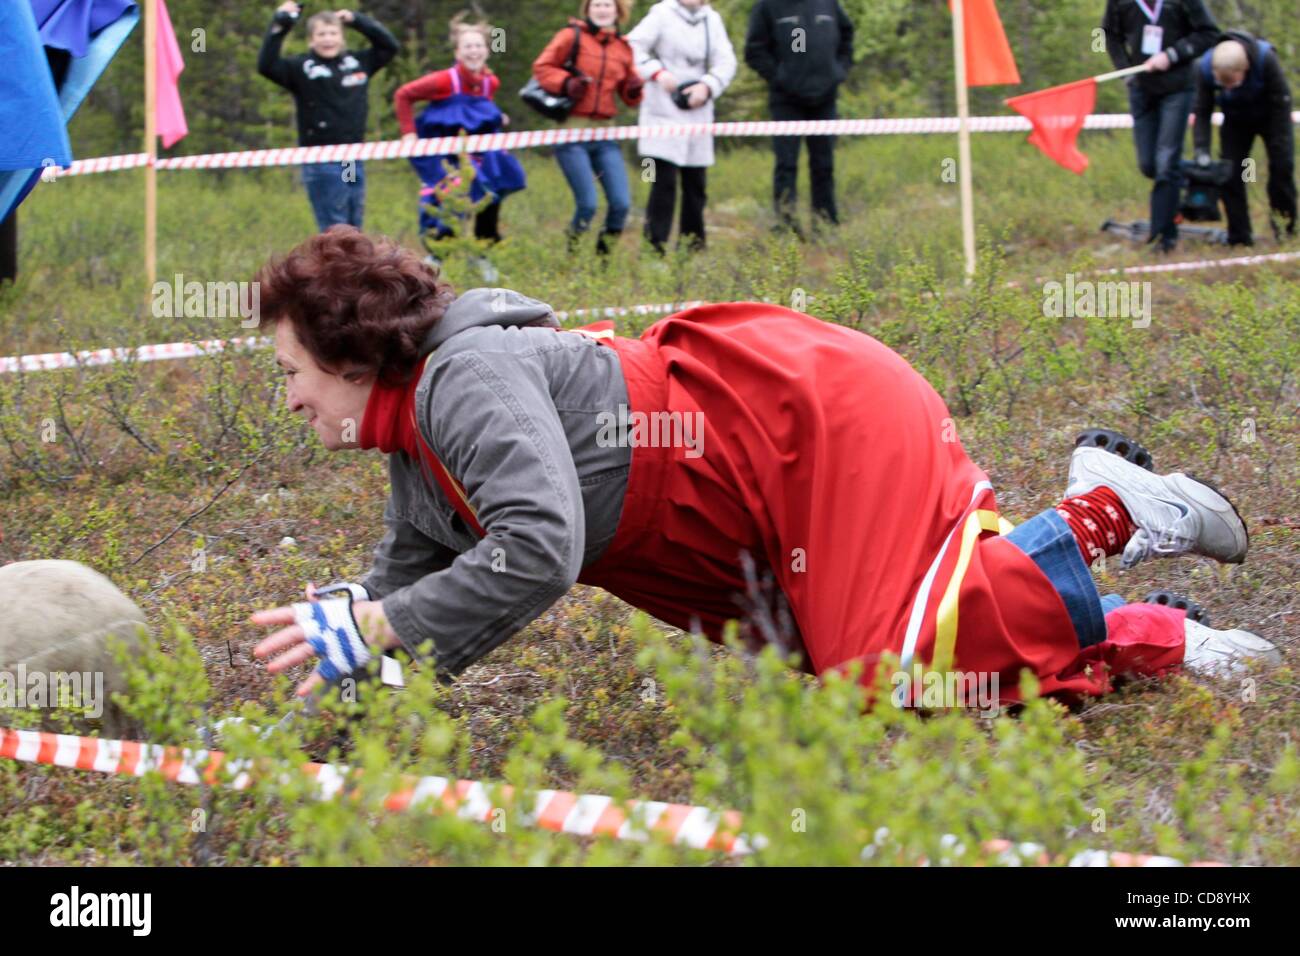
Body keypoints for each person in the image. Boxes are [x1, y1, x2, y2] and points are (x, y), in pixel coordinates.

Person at [248, 228, 1280, 706]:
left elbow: (537, 548)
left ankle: (1101, 510)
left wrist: (377, 622)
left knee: (890, 662)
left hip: (796, 425)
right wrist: (302, 707)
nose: (289, 396)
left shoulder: (462, 380)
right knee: (940, 661)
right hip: (747, 497)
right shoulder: (416, 453)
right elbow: (423, 604)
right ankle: (1160, 627)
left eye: (293, 368)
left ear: (351, 353)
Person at [393, 13, 525, 280]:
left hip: (479, 154)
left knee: (492, 195)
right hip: (445, 156)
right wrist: (408, 133)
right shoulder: (443, 80)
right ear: (457, 51)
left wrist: (498, 117)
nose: (473, 51)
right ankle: (434, 260)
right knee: (447, 204)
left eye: (478, 46)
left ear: (487, 50)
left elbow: (481, 111)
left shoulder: (490, 81)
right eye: (468, 46)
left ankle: (482, 254)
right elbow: (403, 95)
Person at [257, 3, 398, 232]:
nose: (328, 39)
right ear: (311, 40)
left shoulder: (357, 63)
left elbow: (389, 47)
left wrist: (357, 20)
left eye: (333, 33)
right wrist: (281, 24)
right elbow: (266, 65)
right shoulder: (301, 67)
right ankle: (336, 268)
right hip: (322, 158)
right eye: (321, 34)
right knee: (335, 227)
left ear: (342, 37)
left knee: (354, 222)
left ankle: (356, 268)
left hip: (351, 159)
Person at [1102, 0, 1219, 254]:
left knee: (1166, 162)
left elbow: (1209, 33)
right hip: (1141, 90)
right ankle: (1201, 174)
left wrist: (1172, 54)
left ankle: (1163, 239)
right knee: (1150, 165)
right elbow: (1108, 35)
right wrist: (1126, 72)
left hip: (1177, 89)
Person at [531, 0, 644, 255]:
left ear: (617, 11)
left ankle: (602, 262)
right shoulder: (570, 36)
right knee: (588, 205)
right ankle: (573, 257)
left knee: (621, 204)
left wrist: (634, 89)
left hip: (605, 135)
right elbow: (541, 68)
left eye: (607, 5)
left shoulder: (623, 48)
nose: (602, 9)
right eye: (597, 4)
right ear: (588, 9)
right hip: (571, 134)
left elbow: (629, 96)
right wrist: (566, 82)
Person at [625, 0, 737, 254]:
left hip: (698, 109)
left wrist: (708, 85)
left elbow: (726, 61)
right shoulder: (661, 13)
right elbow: (630, 48)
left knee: (695, 184)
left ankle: (692, 248)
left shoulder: (712, 19)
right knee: (662, 182)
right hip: (663, 108)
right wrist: (657, 72)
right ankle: (654, 249)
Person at [744, 0, 853, 236]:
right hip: (786, 100)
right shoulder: (768, 6)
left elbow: (847, 36)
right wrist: (780, 77)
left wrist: (838, 71)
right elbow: (754, 50)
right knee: (786, 164)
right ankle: (785, 226)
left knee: (824, 164)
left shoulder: (828, 3)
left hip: (825, 97)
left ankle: (825, 225)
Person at [1193, 31, 1296, 246]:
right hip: (1235, 120)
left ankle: (1286, 231)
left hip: (1271, 116)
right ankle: (1239, 237)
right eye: (1224, 85)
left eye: (1233, 83)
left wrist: (1279, 146)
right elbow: (1202, 110)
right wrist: (1201, 149)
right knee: (1229, 174)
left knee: (1281, 169)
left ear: (1245, 68)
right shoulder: (1204, 69)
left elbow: (1282, 102)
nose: (1228, 88)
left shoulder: (1266, 60)